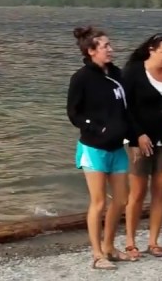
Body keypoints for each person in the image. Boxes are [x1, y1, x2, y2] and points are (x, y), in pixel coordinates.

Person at [66, 25, 131, 271]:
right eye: (105, 46)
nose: (111, 49)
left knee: (121, 200)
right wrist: (96, 128)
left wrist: (135, 136)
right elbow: (73, 113)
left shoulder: (117, 74)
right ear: (91, 51)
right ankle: (96, 254)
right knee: (99, 202)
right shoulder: (81, 78)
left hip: (117, 148)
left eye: (109, 45)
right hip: (93, 148)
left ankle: (109, 247)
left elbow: (126, 110)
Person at [120, 33, 162, 260]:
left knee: (160, 189)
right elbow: (125, 108)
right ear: (151, 50)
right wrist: (137, 135)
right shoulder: (133, 72)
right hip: (139, 140)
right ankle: (130, 242)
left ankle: (153, 242)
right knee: (137, 192)